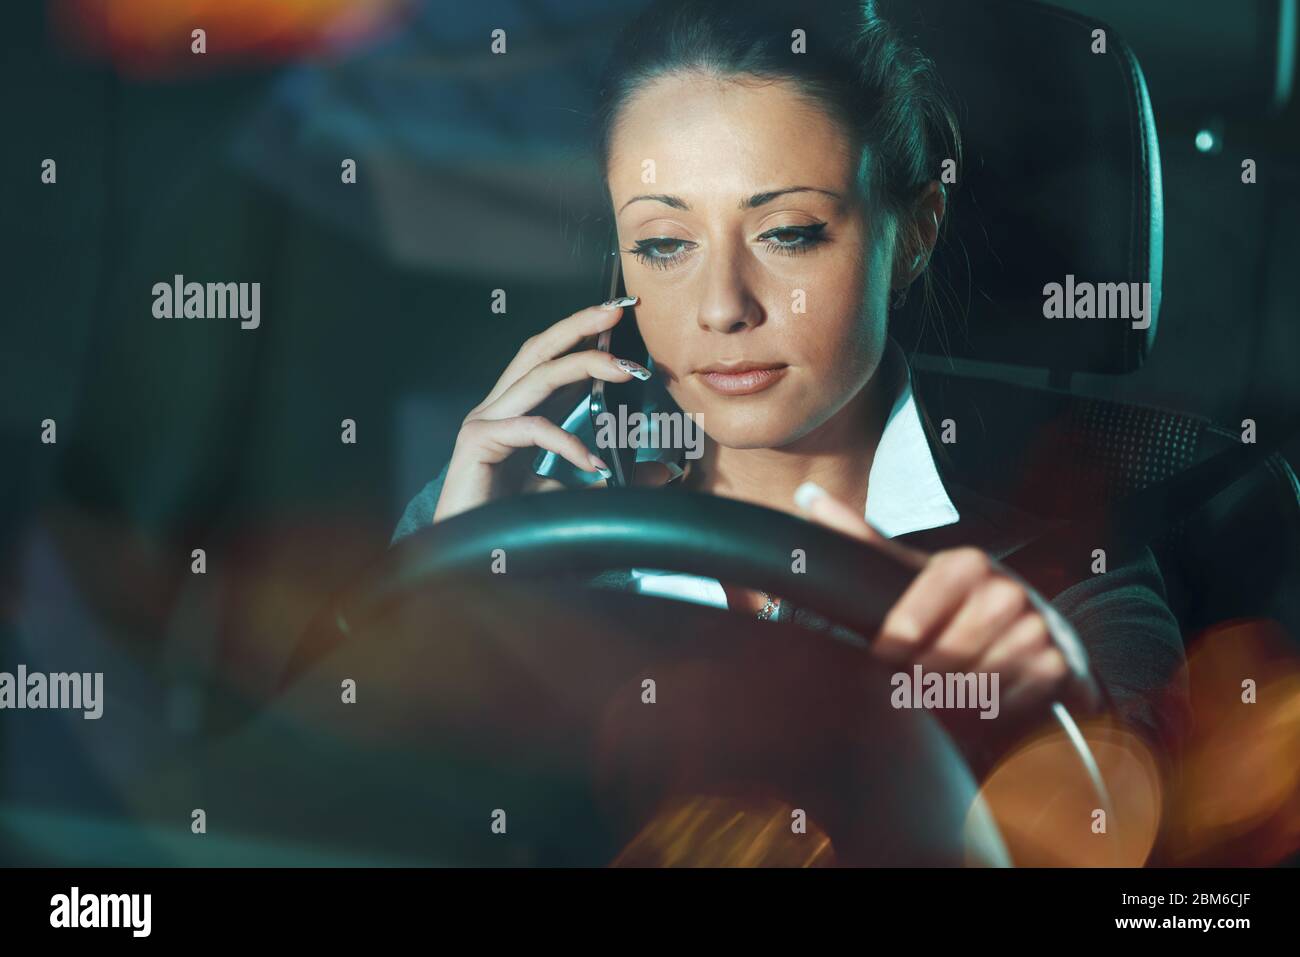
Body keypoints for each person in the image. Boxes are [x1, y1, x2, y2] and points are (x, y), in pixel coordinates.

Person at [392, 0, 1189, 766]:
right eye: (666, 243)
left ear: (912, 235)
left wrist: (1049, 733)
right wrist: (446, 595)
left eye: (788, 233)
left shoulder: (1070, 574)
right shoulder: (500, 514)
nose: (722, 307)